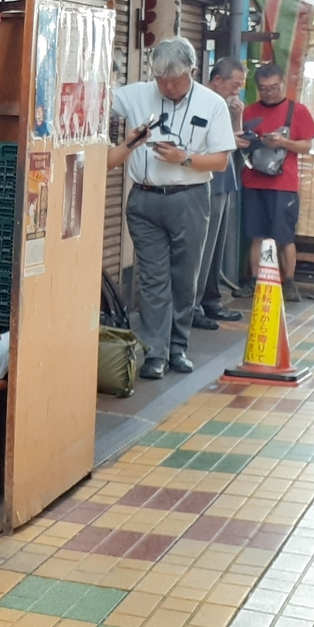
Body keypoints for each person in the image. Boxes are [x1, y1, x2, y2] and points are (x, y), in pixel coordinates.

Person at [107, 38, 235, 380]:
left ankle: (178, 347)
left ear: (191, 72)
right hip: (144, 198)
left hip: (190, 197)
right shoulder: (135, 94)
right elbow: (94, 101)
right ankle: (154, 353)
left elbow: (221, 161)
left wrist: (185, 158)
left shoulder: (213, 104)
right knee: (152, 279)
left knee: (184, 276)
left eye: (175, 81)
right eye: (161, 80)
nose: (167, 86)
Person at [240, 62, 314, 301]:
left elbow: (306, 145)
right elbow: (240, 142)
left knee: (285, 236)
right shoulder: (249, 112)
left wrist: (283, 143)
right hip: (254, 180)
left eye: (273, 87)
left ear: (282, 83)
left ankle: (290, 282)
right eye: (263, 88)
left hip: (283, 184)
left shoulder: (298, 111)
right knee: (256, 235)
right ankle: (254, 280)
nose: (269, 92)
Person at [191, 57, 247, 330]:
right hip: (207, 181)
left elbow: (235, 140)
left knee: (216, 248)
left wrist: (238, 117)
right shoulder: (201, 103)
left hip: (225, 180)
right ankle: (193, 305)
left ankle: (211, 299)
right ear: (217, 80)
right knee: (202, 247)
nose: (236, 91)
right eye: (234, 85)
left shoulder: (225, 106)